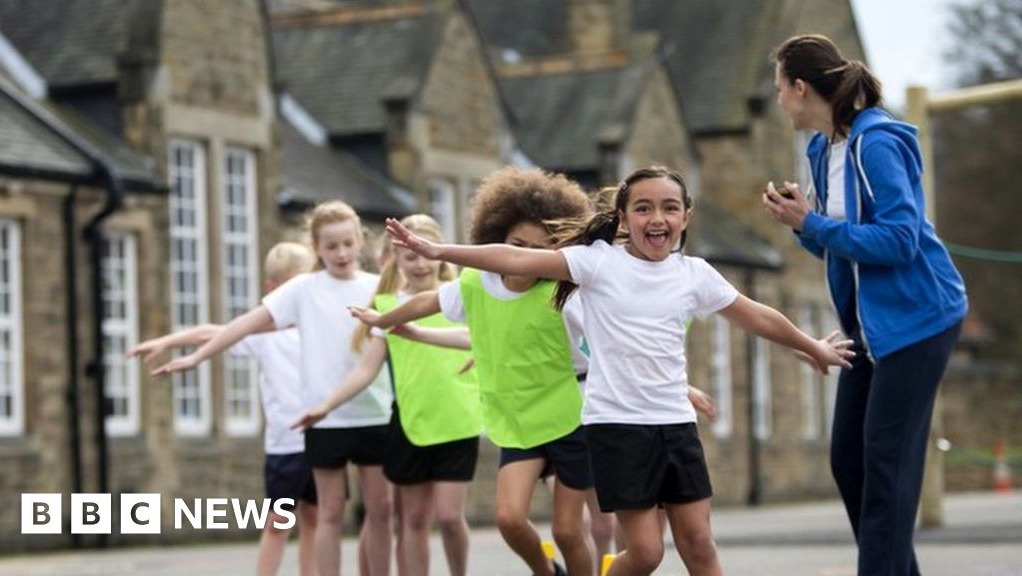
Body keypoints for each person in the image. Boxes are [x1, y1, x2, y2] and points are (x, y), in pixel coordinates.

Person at [380, 165, 855, 576]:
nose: (657, 218)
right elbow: (516, 257)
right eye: (643, 208)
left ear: (685, 217)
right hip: (618, 428)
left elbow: (756, 314)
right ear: (624, 218)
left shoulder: (696, 275)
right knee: (645, 554)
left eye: (670, 208)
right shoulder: (596, 264)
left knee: (700, 545)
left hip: (675, 426)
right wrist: (441, 252)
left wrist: (809, 344)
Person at [765, 34, 968, 576]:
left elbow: (899, 240)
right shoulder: (819, 148)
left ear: (801, 87)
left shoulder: (876, 143)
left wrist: (813, 223)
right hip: (866, 326)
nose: (778, 98)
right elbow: (837, 241)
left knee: (885, 465)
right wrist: (801, 223)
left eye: (780, 87)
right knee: (849, 460)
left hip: (918, 320)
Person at [351, 167, 595, 576]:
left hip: (570, 418)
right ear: (497, 238)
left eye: (538, 250)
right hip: (517, 421)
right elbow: (425, 302)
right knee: (509, 520)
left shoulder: (563, 296)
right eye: (517, 245)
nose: (522, 257)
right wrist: (381, 318)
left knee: (570, 532)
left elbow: (606, 351)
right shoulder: (475, 284)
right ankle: (545, 571)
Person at [154, 201, 394, 576]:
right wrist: (196, 357)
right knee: (330, 513)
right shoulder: (302, 289)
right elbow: (245, 324)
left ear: (361, 240)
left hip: (374, 413)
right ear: (316, 248)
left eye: (348, 243)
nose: (341, 253)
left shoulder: (380, 288)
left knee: (381, 510)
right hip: (323, 420)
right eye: (331, 246)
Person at [293, 214, 481, 576]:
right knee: (413, 519)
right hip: (410, 423)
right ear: (396, 258)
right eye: (409, 256)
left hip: (458, 421)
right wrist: (326, 406)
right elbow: (366, 369)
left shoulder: (461, 296)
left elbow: (485, 340)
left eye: (424, 254)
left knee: (449, 517)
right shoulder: (386, 306)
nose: (419, 263)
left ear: (438, 253)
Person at [130, 242, 319, 576]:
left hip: (323, 440)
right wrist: (167, 342)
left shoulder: (320, 327)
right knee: (278, 524)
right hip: (284, 446)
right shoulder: (263, 335)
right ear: (272, 290)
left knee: (316, 521)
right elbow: (211, 333)